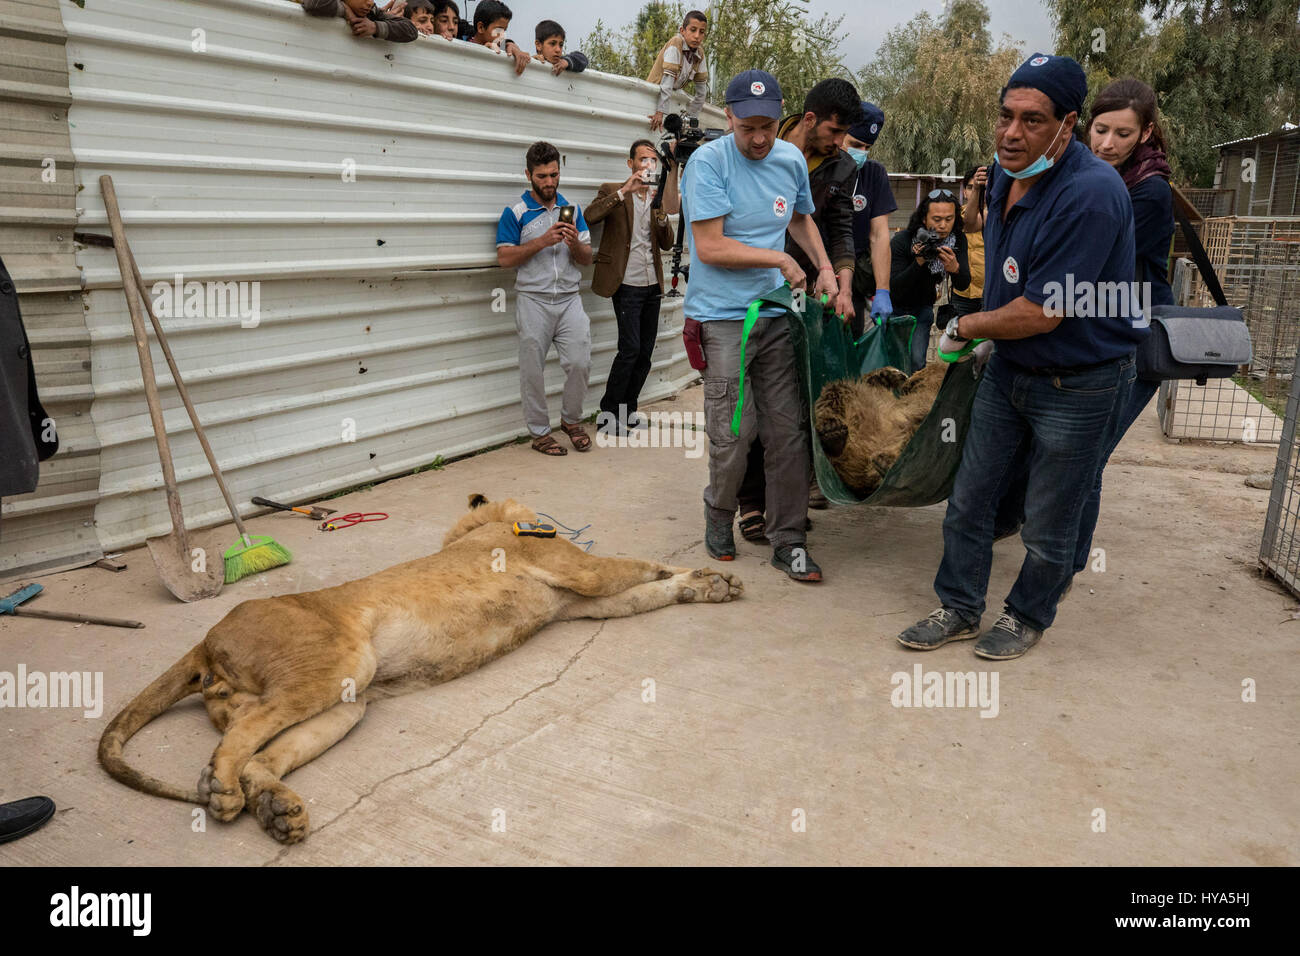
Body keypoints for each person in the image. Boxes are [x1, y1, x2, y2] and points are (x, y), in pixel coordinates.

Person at [894, 53, 1145, 661]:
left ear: (1068, 123)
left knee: (1050, 515)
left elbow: (1043, 310)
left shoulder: (1090, 195)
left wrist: (969, 324)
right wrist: (987, 336)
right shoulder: (1008, 174)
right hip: (1008, 370)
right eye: (1005, 115)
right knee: (971, 498)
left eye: (1032, 120)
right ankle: (958, 606)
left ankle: (1027, 614)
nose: (1011, 132)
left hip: (1079, 381)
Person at [682, 70, 838, 582]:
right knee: (734, 432)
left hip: (775, 315)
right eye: (748, 126)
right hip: (723, 319)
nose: (759, 138)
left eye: (768, 126)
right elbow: (710, 247)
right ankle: (719, 514)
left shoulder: (791, 159)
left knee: (787, 432)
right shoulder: (707, 163)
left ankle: (788, 538)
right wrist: (779, 259)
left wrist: (825, 268)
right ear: (727, 117)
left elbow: (800, 218)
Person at [733, 78, 863, 535]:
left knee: (790, 403)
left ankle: (786, 504)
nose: (840, 143)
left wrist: (842, 284)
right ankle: (749, 502)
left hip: (804, 293)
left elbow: (841, 228)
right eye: (834, 131)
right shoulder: (754, 142)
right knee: (748, 405)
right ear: (809, 120)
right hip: (745, 289)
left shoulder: (842, 166)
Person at [496, 141, 594, 457]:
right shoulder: (516, 212)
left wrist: (574, 242)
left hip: (569, 299)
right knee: (532, 371)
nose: (549, 182)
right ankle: (539, 433)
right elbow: (504, 258)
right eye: (542, 176)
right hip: (533, 300)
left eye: (554, 174)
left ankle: (570, 420)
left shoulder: (573, 209)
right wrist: (541, 241)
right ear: (528, 175)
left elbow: (586, 258)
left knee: (580, 362)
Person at [585, 140, 681, 434]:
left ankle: (628, 410)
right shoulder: (612, 189)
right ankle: (608, 414)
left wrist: (660, 212)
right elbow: (590, 216)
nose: (647, 165)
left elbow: (667, 242)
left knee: (645, 353)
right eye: (642, 159)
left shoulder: (656, 197)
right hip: (625, 283)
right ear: (631, 163)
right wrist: (624, 190)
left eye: (652, 160)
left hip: (652, 284)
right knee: (629, 350)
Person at [889, 188, 970, 371]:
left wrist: (955, 269)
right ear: (924, 218)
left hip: (923, 309)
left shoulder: (957, 241)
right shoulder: (904, 240)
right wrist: (919, 262)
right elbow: (895, 287)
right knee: (894, 363)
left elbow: (963, 284)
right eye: (937, 219)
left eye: (949, 219)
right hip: (894, 309)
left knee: (917, 362)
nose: (943, 226)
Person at [845, 101, 897, 338]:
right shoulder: (817, 168)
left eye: (867, 147)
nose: (861, 153)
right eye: (855, 144)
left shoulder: (874, 174)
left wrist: (882, 290)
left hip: (856, 279)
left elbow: (879, 235)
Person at [647, 10, 709, 131]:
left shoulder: (699, 54)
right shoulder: (676, 43)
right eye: (693, 30)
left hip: (669, 102)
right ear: (682, 30)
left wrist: (690, 118)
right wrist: (660, 112)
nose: (697, 36)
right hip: (652, 98)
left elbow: (702, 93)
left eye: (701, 32)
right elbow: (667, 81)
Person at [948, 167, 985, 318]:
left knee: (987, 341)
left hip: (988, 294)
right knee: (958, 338)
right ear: (964, 192)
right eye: (970, 187)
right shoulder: (953, 218)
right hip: (962, 294)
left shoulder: (997, 216)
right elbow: (968, 222)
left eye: (981, 188)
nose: (974, 191)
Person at [464, 0, 531, 74]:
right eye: (498, 31)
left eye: (504, 31)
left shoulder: (503, 51)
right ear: (481, 27)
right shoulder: (461, 47)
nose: (503, 36)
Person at [301, 0, 419, 42]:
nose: (370, 2)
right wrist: (346, 11)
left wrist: (374, 27)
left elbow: (411, 30)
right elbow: (313, 3)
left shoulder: (372, 12)